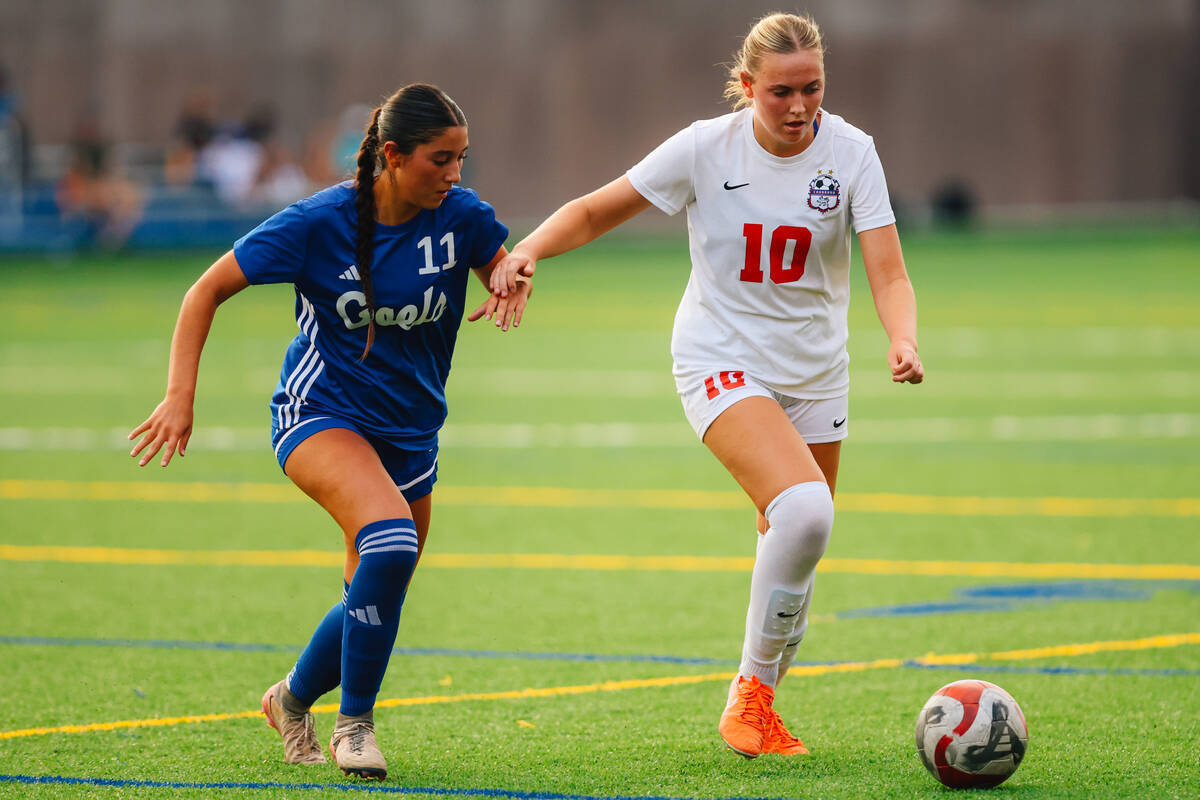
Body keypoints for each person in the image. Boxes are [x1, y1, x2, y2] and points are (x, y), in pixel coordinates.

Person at [489, 13, 923, 758]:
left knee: (793, 540)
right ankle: (748, 697)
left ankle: (763, 701)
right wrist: (527, 251)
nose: (799, 106)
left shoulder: (853, 153)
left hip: (817, 372)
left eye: (812, 88)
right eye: (781, 91)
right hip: (720, 358)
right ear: (747, 87)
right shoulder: (703, 148)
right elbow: (598, 209)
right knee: (807, 514)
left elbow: (887, 268)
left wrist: (902, 335)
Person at [129, 84, 528, 780]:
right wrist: (178, 397)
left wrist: (508, 274)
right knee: (391, 542)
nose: (456, 173)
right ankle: (355, 726)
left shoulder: (461, 215)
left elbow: (496, 259)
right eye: (442, 158)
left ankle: (290, 699)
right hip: (320, 415)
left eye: (463, 157)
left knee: (376, 585)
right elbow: (205, 290)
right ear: (393, 156)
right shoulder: (319, 221)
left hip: (411, 431)